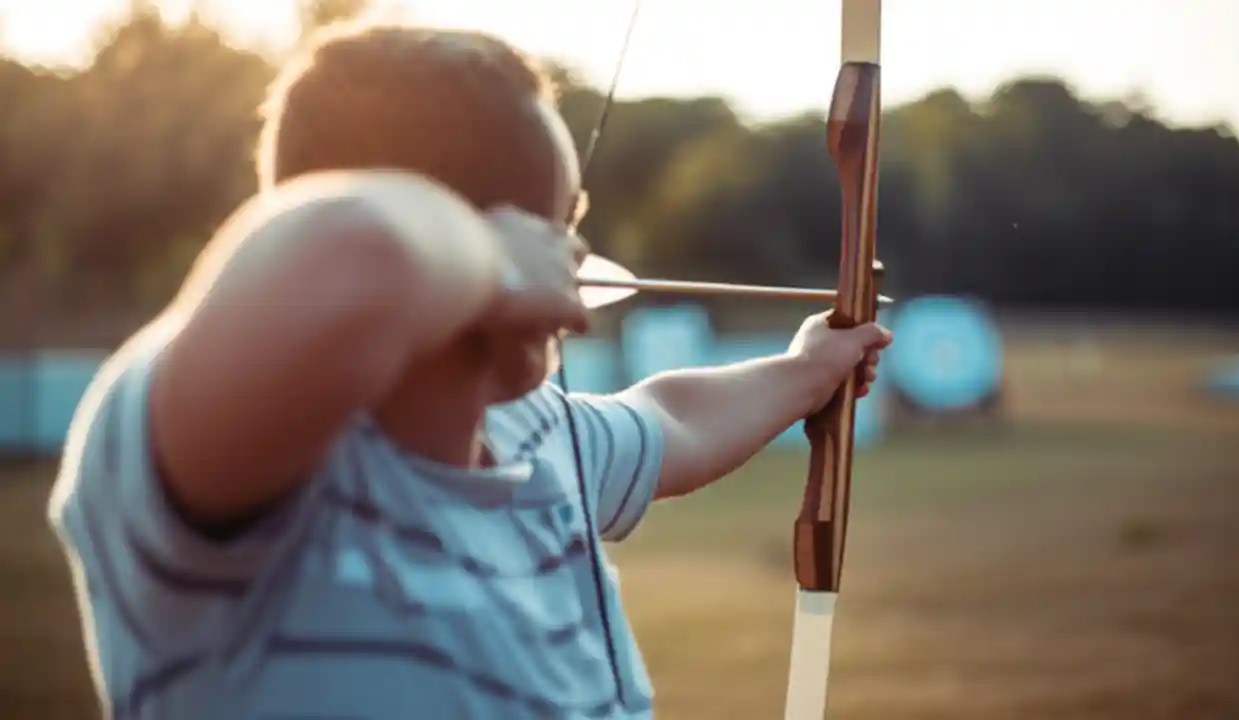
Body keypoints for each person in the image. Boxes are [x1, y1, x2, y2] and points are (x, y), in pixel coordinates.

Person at [48, 22, 891, 720]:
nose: (574, 252)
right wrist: (492, 259)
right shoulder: (218, 466)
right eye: (561, 223)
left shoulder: (537, 435)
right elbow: (349, 249)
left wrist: (808, 370)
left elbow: (671, 421)